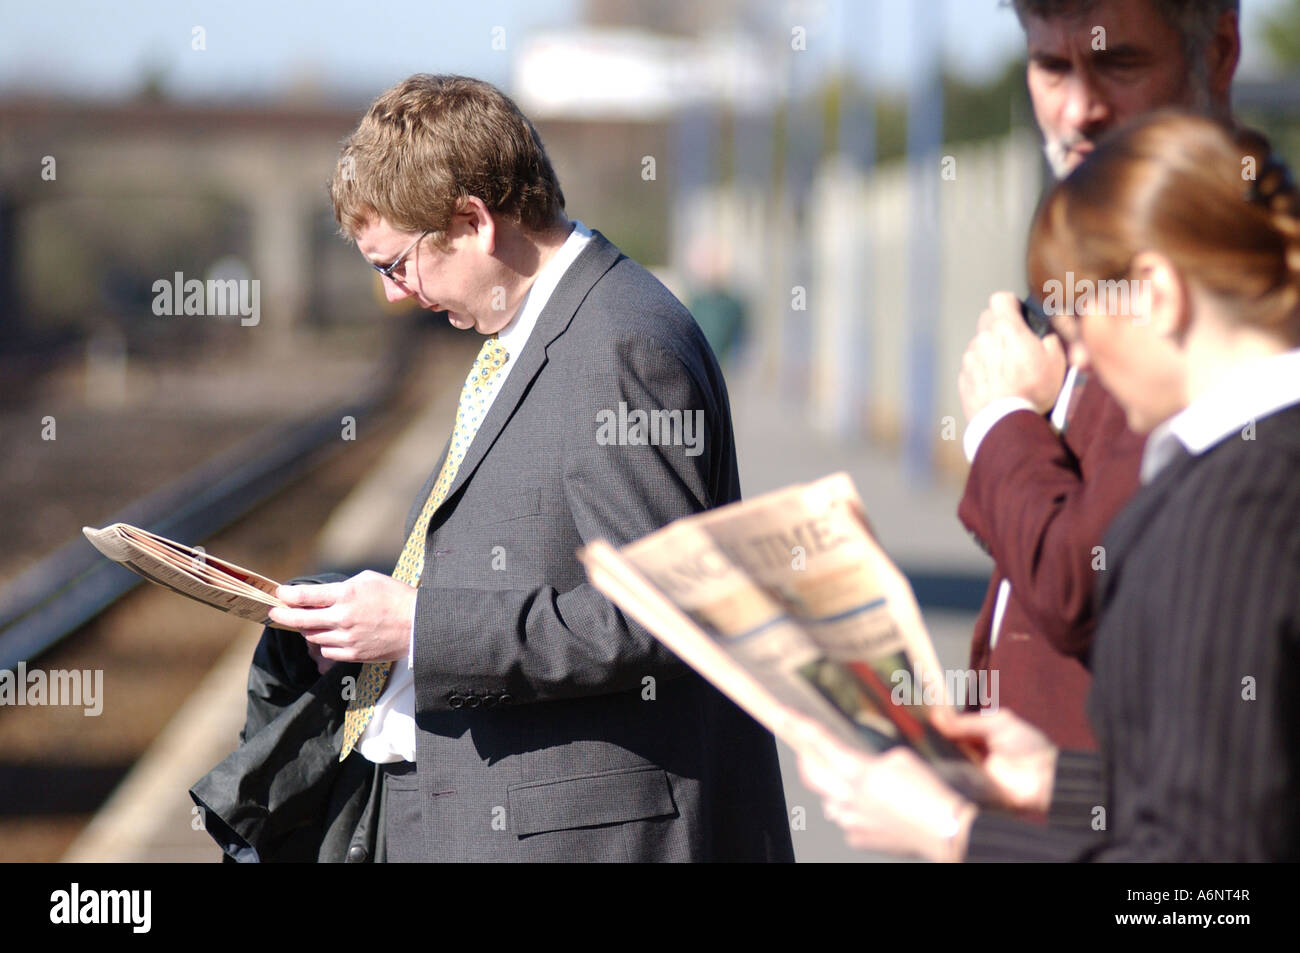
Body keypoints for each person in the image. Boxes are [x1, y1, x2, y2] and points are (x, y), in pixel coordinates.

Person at [208, 75, 793, 862]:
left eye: (397, 264)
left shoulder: (620, 347)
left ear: (473, 221)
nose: (394, 295)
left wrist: (417, 626)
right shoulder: (539, 333)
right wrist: (365, 627)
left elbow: (665, 611)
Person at [794, 110, 1300, 862]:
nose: (1081, 361)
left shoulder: (1234, 505)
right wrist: (1056, 782)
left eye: (1082, 318)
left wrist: (956, 834)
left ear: (1155, 293)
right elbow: (1244, 803)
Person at [956, 0, 1241, 749]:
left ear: (1218, 52)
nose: (1078, 109)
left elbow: (1082, 578)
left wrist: (1004, 420)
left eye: (1119, 63)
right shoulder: (1108, 251)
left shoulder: (1219, 277)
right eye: (1052, 66)